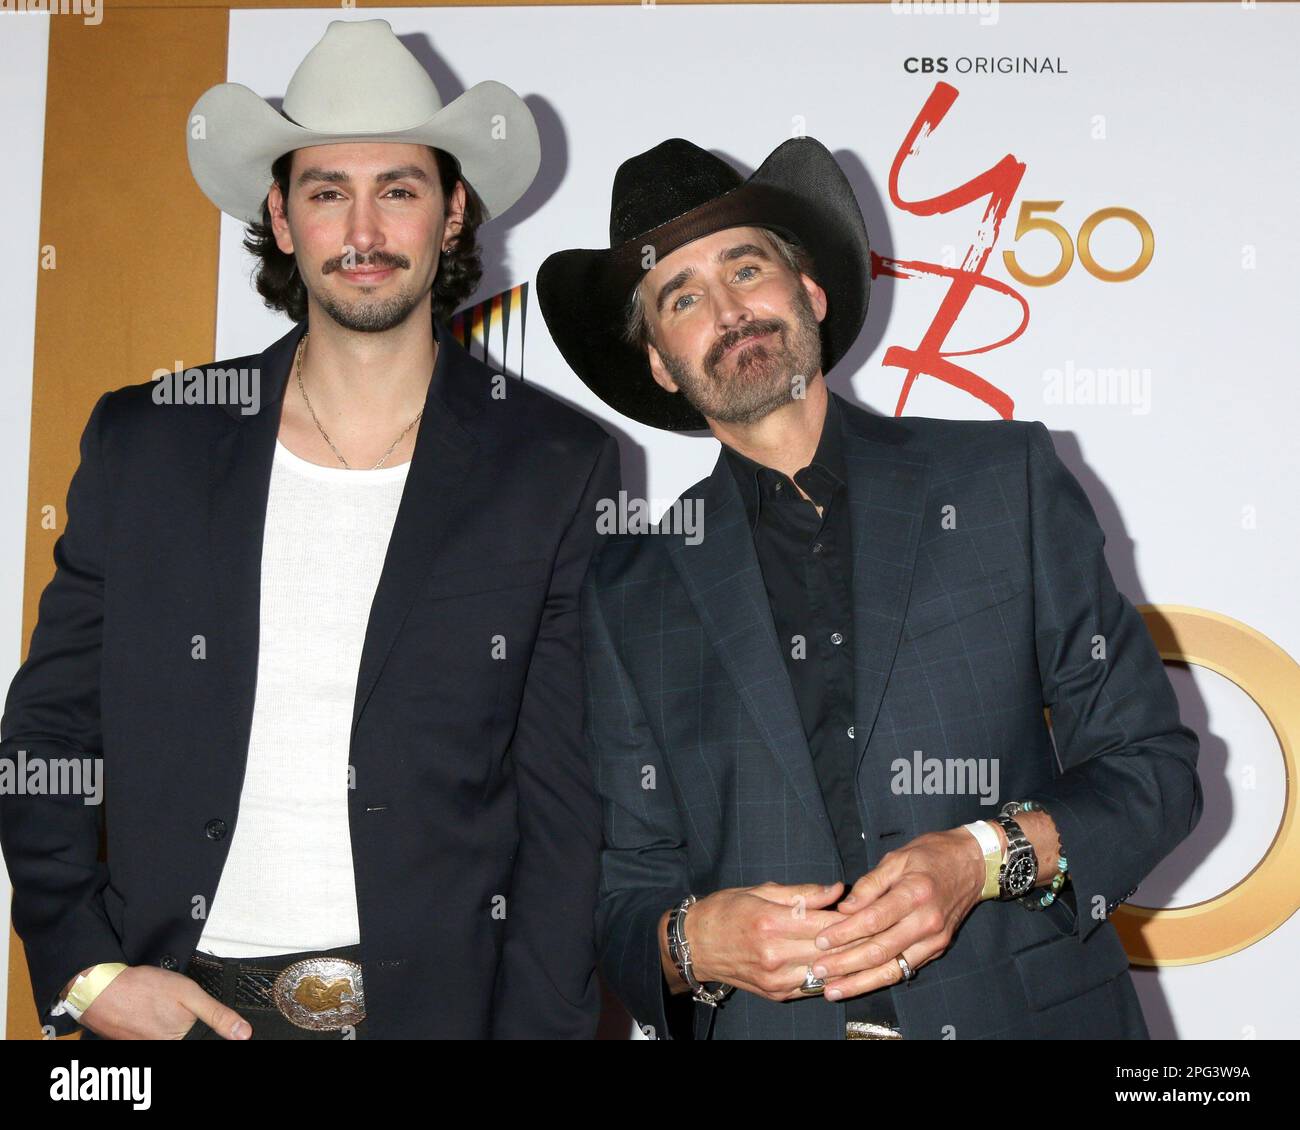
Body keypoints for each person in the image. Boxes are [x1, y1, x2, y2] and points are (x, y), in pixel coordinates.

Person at [0, 18, 618, 1040]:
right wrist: (84, 966)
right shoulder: (147, 440)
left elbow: (564, 801)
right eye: (328, 191)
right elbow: (50, 734)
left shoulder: (550, 460)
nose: (364, 230)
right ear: (281, 218)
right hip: (180, 1009)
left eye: (401, 189)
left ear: (453, 213)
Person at [536, 136, 1202, 1040]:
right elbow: (621, 893)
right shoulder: (627, 588)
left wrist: (983, 858)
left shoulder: (1001, 480)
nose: (729, 310)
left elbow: (1151, 771)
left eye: (746, 267)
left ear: (809, 292)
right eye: (682, 298)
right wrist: (695, 943)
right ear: (661, 360)